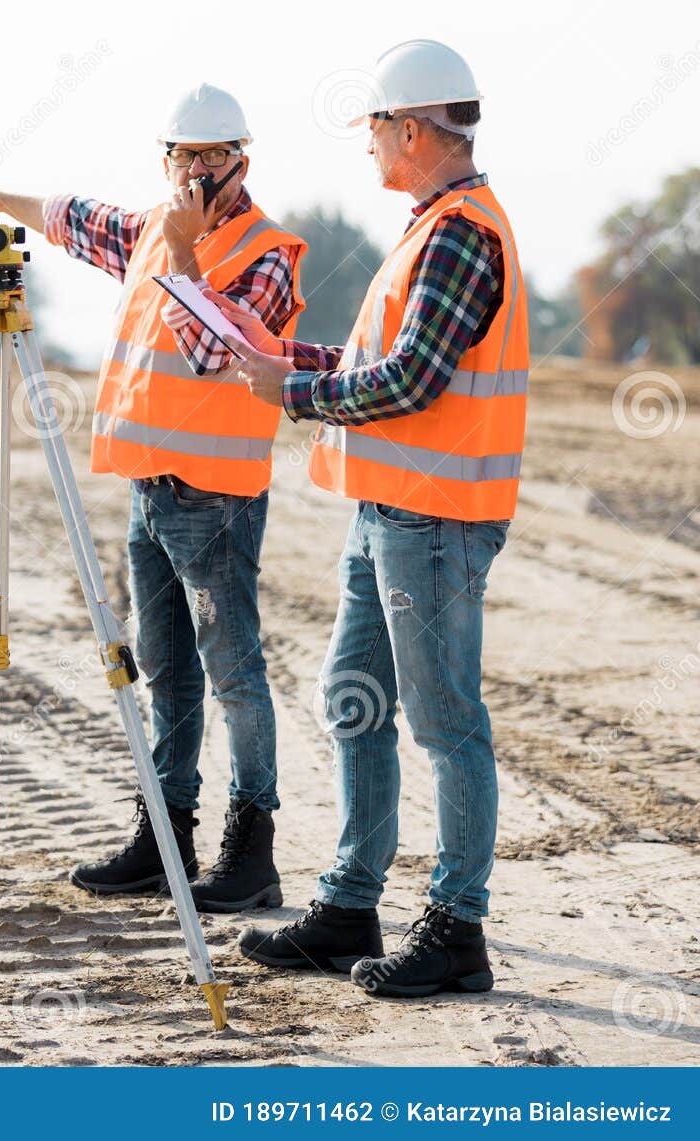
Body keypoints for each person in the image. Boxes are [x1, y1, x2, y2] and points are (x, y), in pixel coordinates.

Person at [0, 84, 307, 912]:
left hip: (216, 500)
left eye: (214, 157)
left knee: (234, 671)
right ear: (168, 158)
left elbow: (216, 351)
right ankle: (162, 835)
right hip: (152, 493)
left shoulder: (269, 252)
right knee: (164, 672)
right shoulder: (149, 231)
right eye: (186, 156)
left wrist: (183, 250)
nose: (199, 171)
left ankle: (252, 850)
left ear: (240, 161)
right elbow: (74, 216)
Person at [221, 40, 527, 996]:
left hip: (434, 518)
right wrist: (283, 357)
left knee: (444, 723)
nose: (367, 151)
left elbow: (413, 378)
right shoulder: (430, 225)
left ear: (409, 128)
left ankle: (456, 929)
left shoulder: (460, 233)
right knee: (353, 699)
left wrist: (299, 391)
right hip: (389, 512)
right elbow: (377, 355)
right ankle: (352, 899)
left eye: (374, 133)